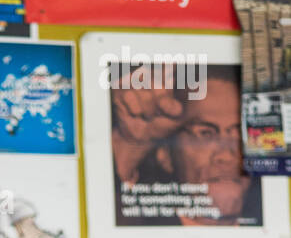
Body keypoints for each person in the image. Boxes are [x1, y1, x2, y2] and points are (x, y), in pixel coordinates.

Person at [111, 66, 262, 228]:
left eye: (240, 133)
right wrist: (127, 148)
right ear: (165, 155)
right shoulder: (135, 231)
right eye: (205, 134)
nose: (227, 156)